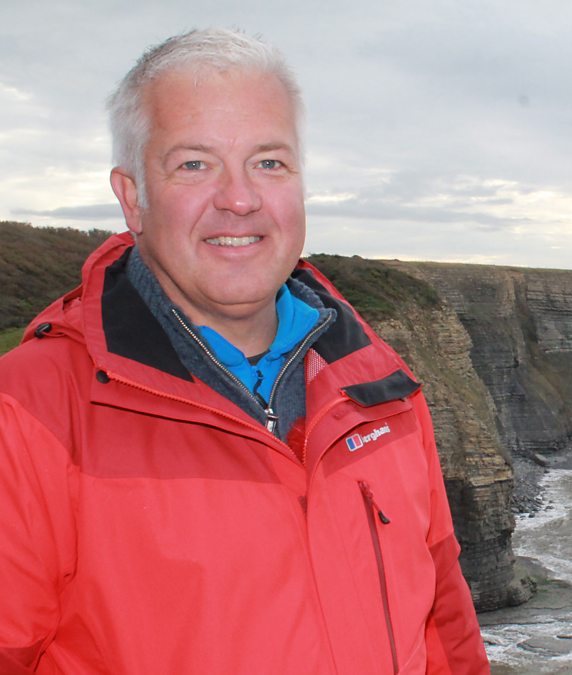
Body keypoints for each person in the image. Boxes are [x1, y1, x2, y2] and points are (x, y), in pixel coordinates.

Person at [0, 28, 490, 674]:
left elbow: (445, 634)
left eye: (269, 162)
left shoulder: (383, 393)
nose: (240, 198)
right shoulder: (29, 414)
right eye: (195, 164)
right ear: (132, 197)